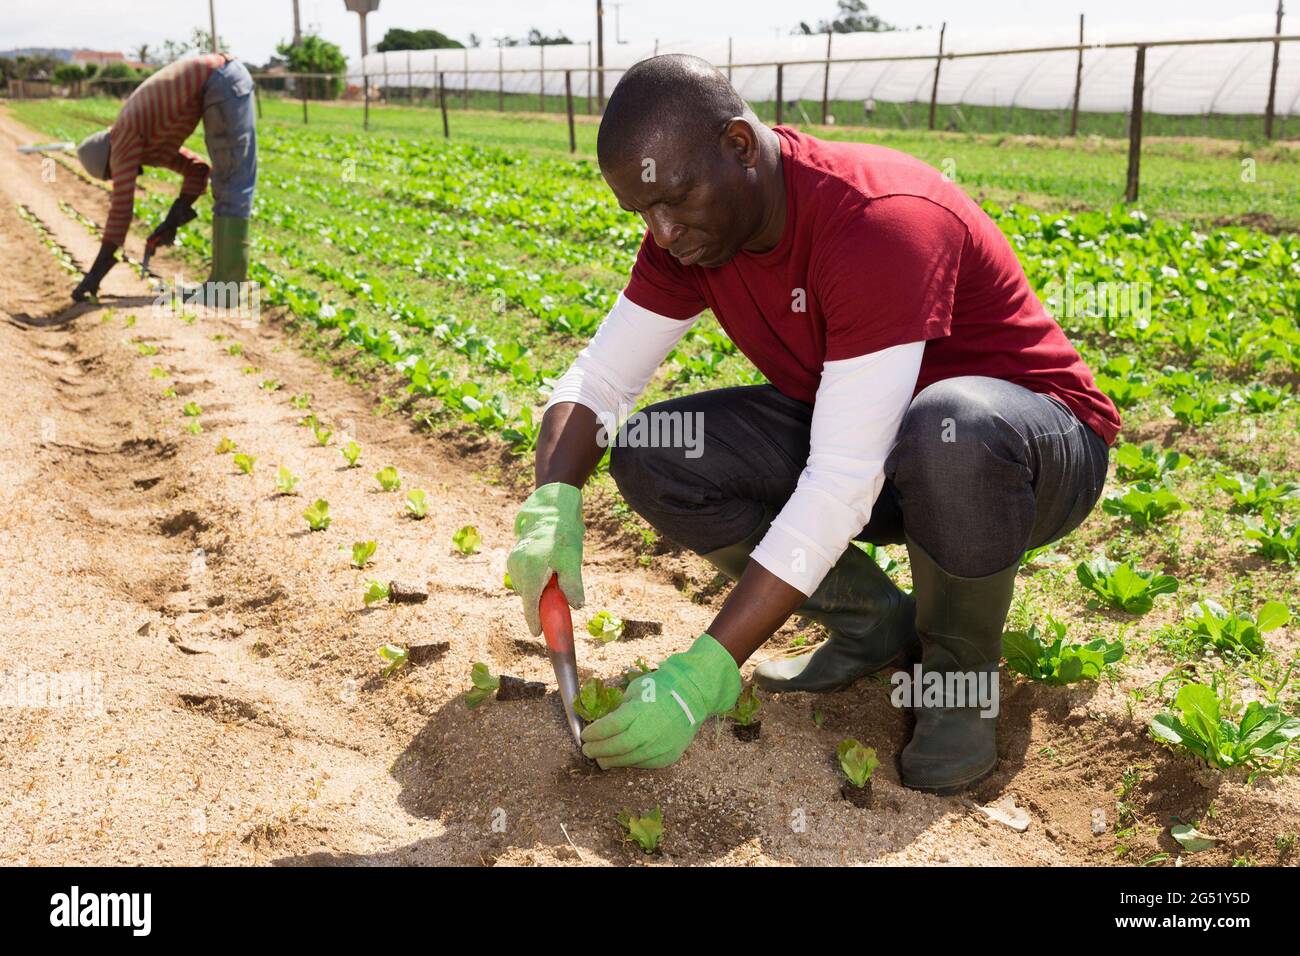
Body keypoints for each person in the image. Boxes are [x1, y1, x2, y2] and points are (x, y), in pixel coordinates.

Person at [507, 55, 1120, 794]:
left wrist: (703, 674)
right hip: (887, 450)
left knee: (947, 425)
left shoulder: (874, 222)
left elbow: (839, 481)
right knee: (651, 450)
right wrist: (553, 501)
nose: (661, 232)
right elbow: (601, 379)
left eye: (673, 200)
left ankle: (958, 679)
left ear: (739, 145)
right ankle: (870, 623)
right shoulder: (693, 236)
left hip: (1025, 451)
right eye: (642, 213)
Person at [72, 52, 257, 302]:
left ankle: (226, 289)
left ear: (109, 159)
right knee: (229, 178)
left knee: (233, 176)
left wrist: (94, 275)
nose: (126, 173)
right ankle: (224, 285)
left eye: (112, 173)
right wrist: (174, 218)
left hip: (219, 78)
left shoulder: (123, 137)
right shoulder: (149, 141)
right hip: (221, 77)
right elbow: (197, 169)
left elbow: (121, 210)